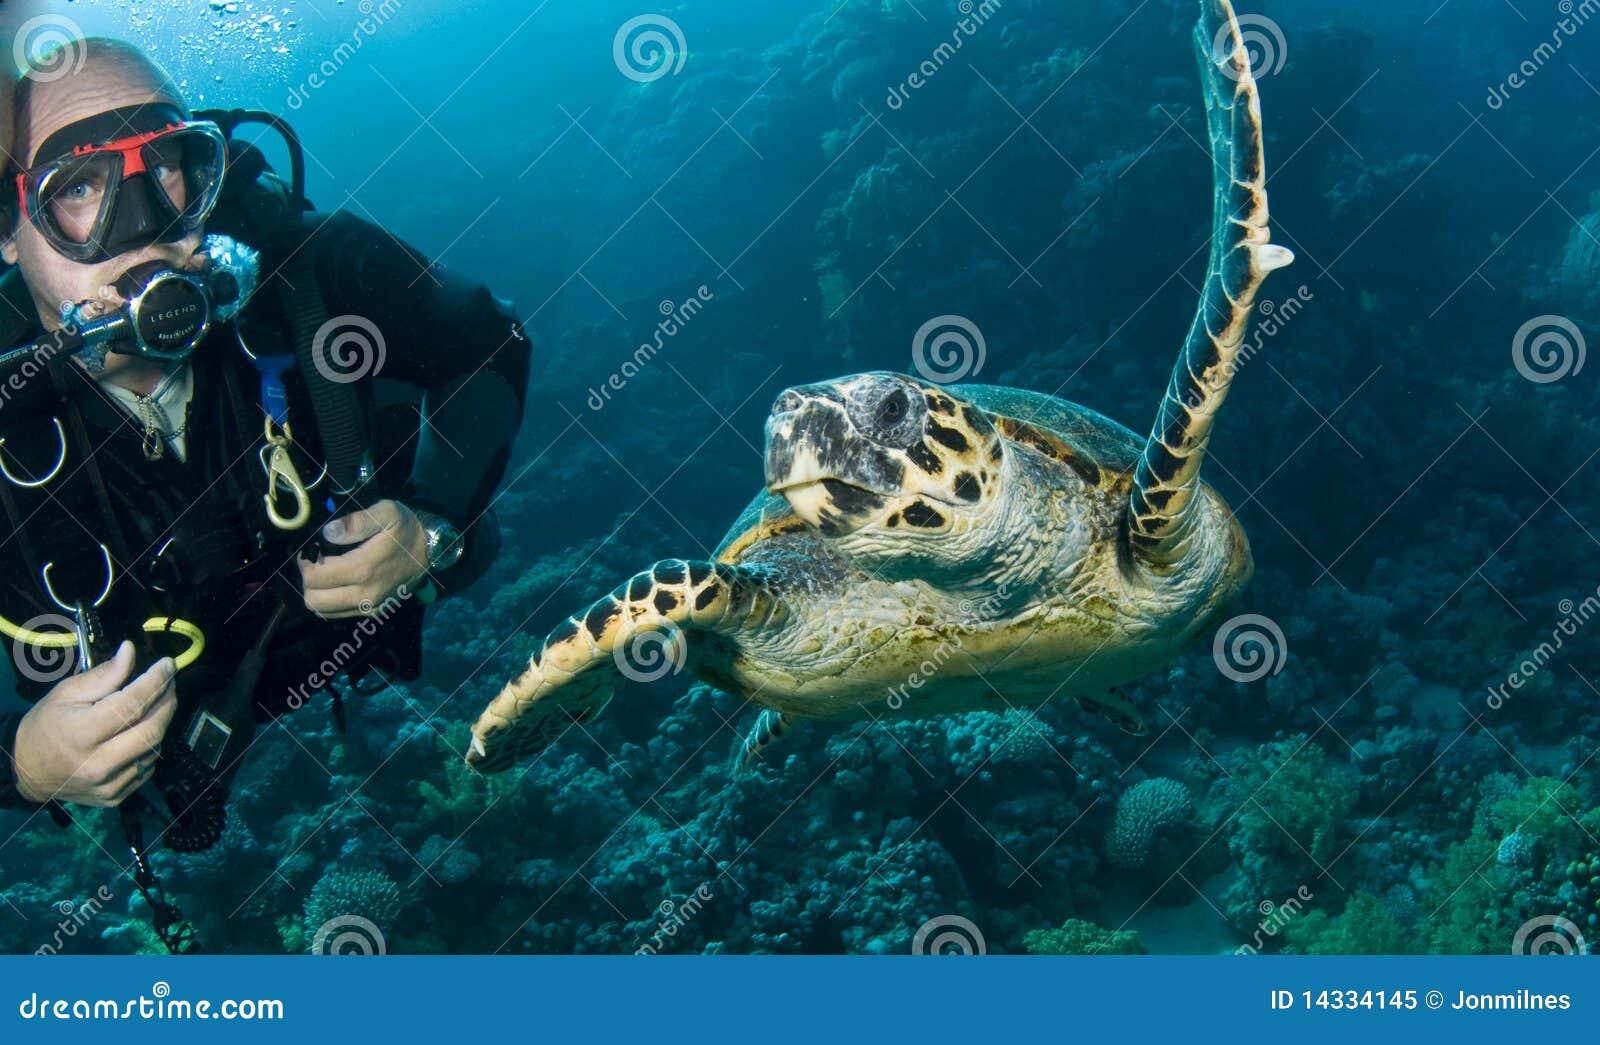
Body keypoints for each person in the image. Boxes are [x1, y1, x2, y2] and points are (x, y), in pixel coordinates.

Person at [0, 36, 529, 891]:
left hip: (341, 637)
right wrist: (20, 766)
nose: (142, 231)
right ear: (6, 227)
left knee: (480, 541)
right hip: (178, 722)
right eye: (80, 189)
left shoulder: (307, 274)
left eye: (169, 168)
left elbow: (487, 341)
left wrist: (435, 520)